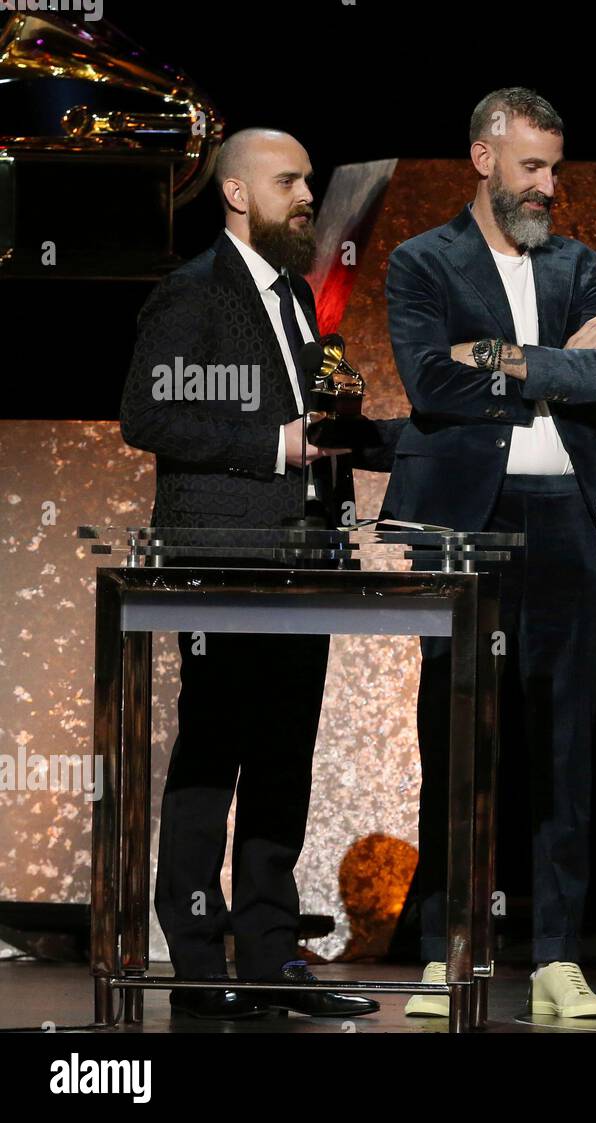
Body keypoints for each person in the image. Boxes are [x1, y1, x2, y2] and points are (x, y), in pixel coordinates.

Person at [120, 127, 398, 1020]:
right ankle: (200, 957)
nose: (307, 195)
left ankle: (272, 953)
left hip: (300, 557)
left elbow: (307, 424)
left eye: (311, 180)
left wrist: (341, 455)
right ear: (236, 193)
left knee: (284, 753)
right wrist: (275, 445)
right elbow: (146, 414)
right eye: (289, 182)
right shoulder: (193, 291)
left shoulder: (294, 300)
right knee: (213, 749)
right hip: (224, 558)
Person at [382, 87, 596, 1018]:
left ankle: (559, 958)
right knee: (456, 737)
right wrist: (550, 360)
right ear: (484, 159)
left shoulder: (581, 263)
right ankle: (448, 951)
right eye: (532, 166)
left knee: (564, 744)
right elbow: (432, 381)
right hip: (462, 522)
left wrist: (515, 358)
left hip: (567, 514)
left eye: (555, 169)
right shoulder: (421, 260)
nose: (548, 187)